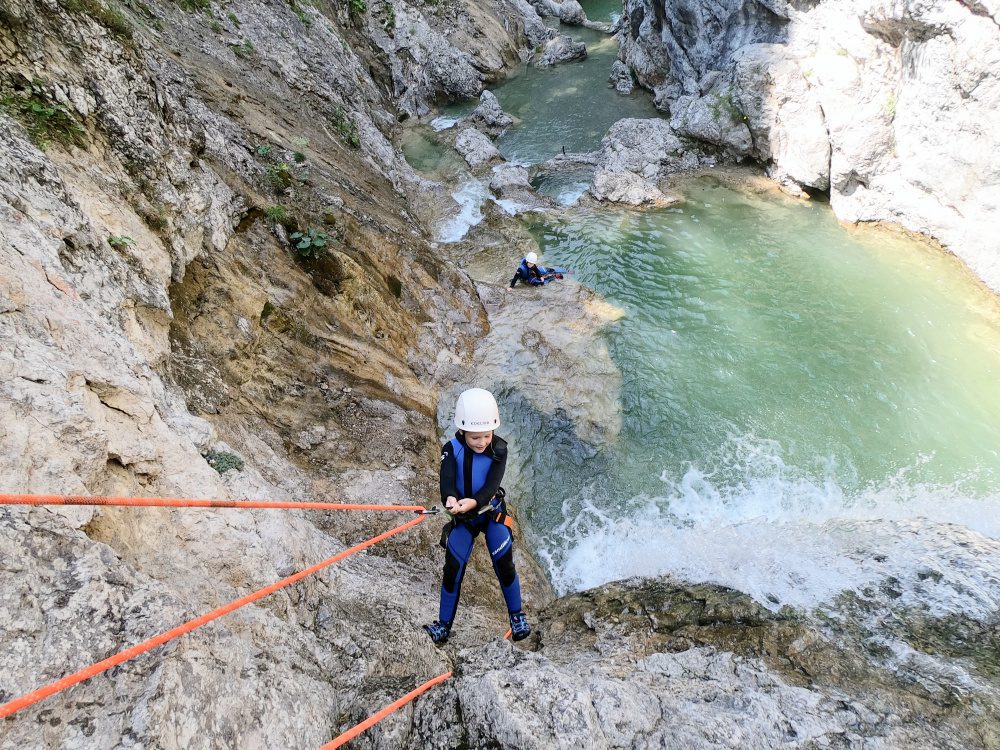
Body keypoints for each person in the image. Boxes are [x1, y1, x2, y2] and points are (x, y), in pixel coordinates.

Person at [424, 388, 531, 644]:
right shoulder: (451, 449)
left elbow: (491, 486)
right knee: (453, 568)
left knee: (504, 564)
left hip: (491, 512)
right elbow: (447, 479)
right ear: (462, 430)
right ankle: (443, 626)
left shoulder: (499, 450)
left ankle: (517, 617)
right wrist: (449, 499)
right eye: (474, 438)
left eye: (486, 435)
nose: (482, 442)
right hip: (464, 518)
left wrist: (472, 502)